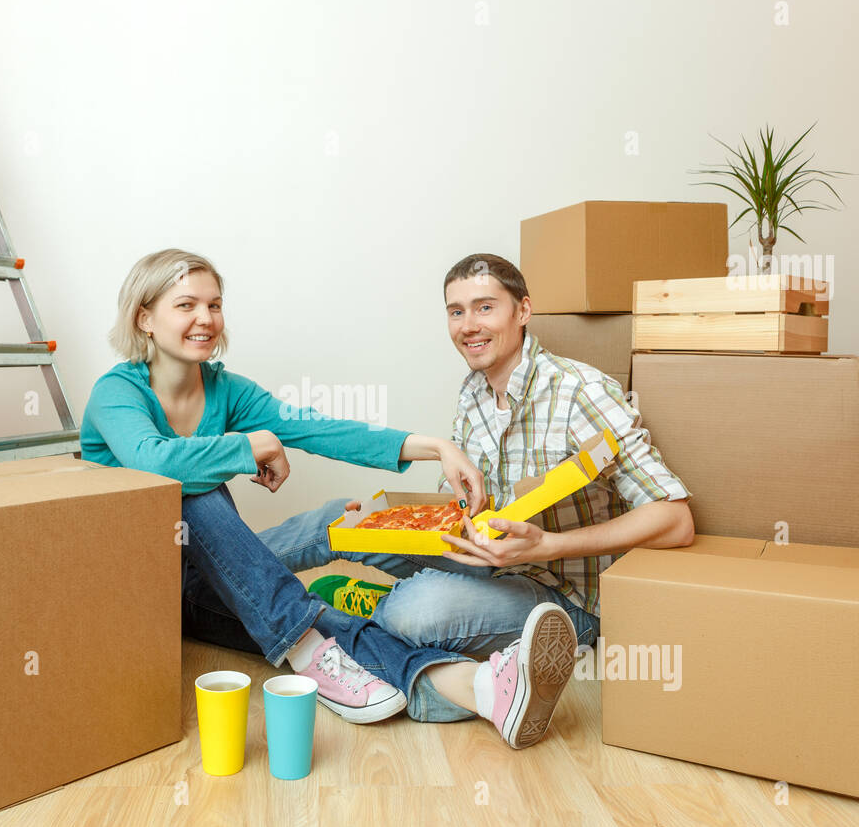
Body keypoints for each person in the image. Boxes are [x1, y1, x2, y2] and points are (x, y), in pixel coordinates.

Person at [79, 249, 580, 749]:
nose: (206, 319)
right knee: (200, 497)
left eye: (215, 304)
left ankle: (474, 689)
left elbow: (318, 429)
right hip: (141, 590)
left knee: (325, 542)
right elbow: (154, 461)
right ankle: (315, 649)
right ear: (144, 318)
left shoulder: (223, 389)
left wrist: (434, 447)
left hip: (207, 577)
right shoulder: (115, 393)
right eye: (186, 305)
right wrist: (248, 445)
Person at [259, 253, 695, 732]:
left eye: (485, 307)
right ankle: (210, 576)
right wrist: (452, 508)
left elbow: (675, 519)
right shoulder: (473, 393)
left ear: (523, 311)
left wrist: (548, 544)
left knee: (414, 608)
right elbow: (465, 495)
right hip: (486, 558)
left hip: (565, 598)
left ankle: (352, 614)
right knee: (342, 522)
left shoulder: (580, 392)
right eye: (456, 311)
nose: (468, 325)